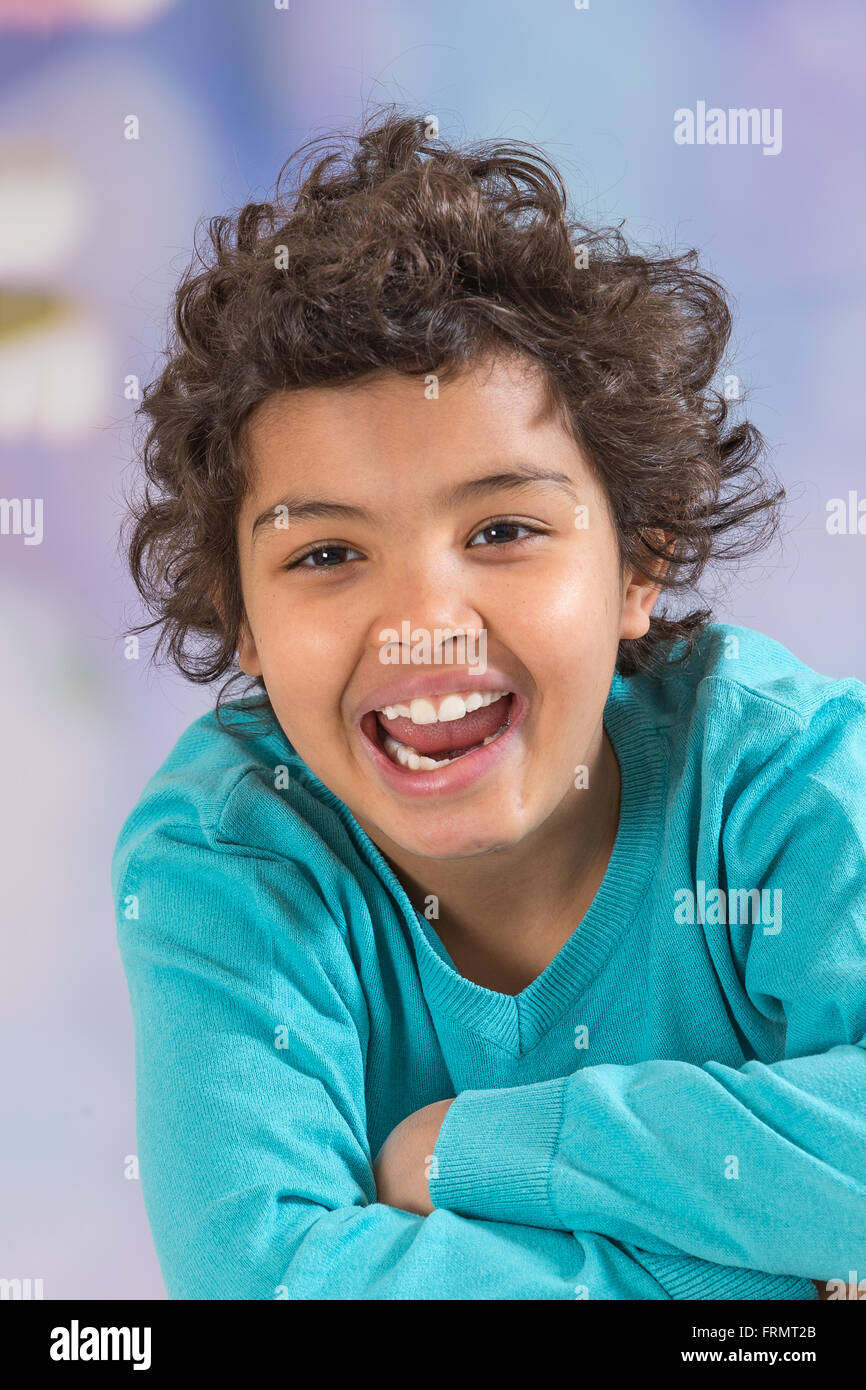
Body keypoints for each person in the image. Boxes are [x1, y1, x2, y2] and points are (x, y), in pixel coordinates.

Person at [112, 107, 865, 1300]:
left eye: (503, 530)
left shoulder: (785, 778)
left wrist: (487, 1149)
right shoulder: (229, 851)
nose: (422, 621)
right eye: (323, 555)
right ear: (241, 617)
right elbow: (269, 1280)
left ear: (638, 562)